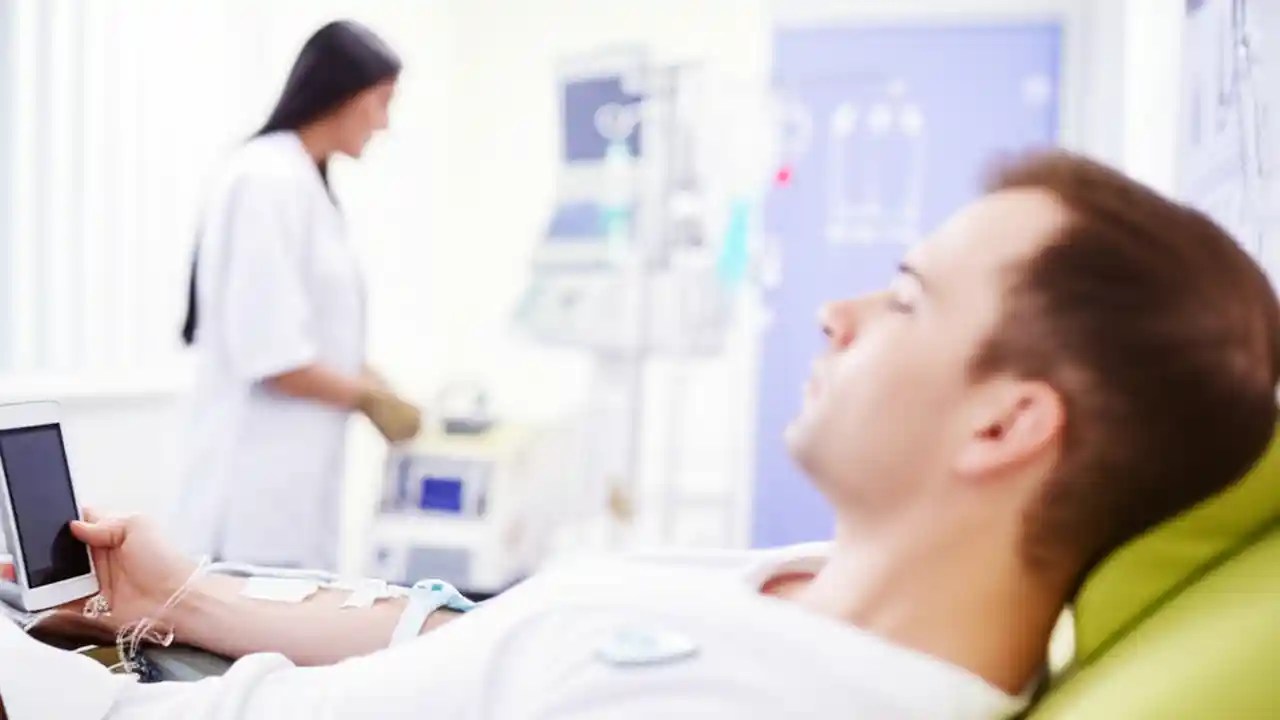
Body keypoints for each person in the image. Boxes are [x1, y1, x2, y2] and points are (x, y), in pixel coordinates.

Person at [3, 150, 1276, 719]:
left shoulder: (777, 702)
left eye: (902, 297)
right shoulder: (795, 594)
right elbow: (486, 638)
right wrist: (186, 600)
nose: (830, 314)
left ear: (1006, 421)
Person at [175, 20, 423, 572]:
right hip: (249, 499)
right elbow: (273, 355)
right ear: (343, 93)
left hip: (290, 492)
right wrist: (367, 398)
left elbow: (314, 331)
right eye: (381, 103)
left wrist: (374, 382)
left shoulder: (304, 183)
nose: (384, 124)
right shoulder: (267, 179)